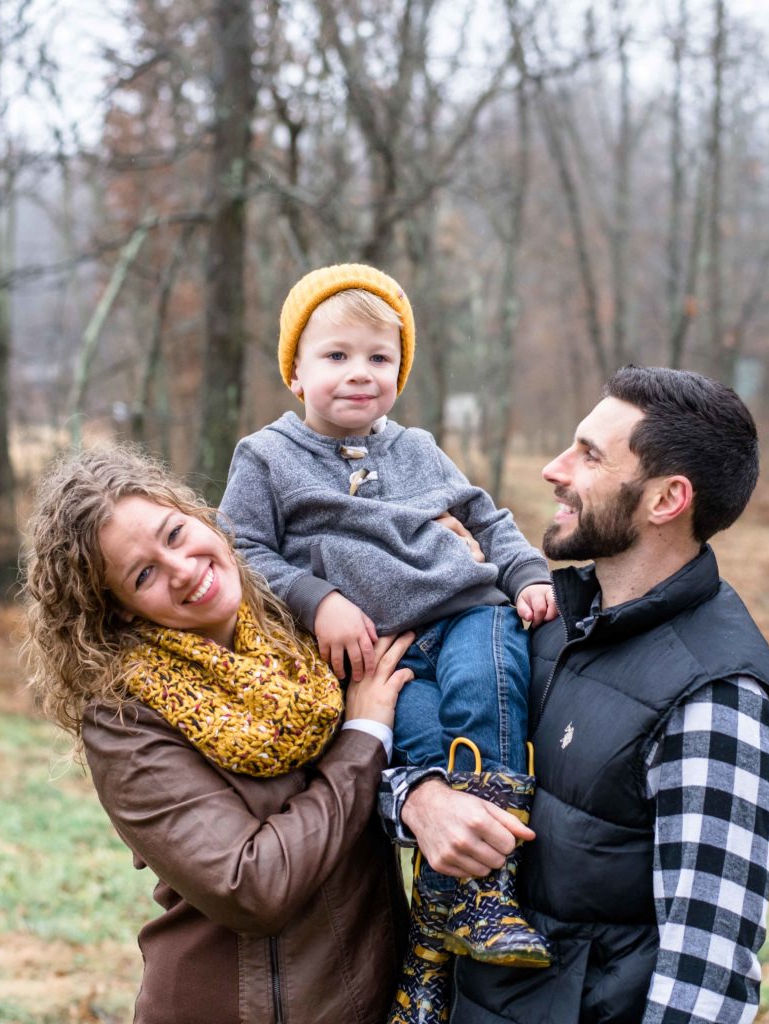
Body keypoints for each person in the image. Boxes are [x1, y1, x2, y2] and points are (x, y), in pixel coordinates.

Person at [387, 366, 769, 1024]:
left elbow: (706, 980)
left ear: (666, 499)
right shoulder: (542, 617)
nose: (555, 469)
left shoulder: (718, 697)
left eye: (588, 455)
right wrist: (421, 798)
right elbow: (393, 743)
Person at [218, 264, 557, 1019]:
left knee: (488, 708)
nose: (360, 374)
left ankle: (470, 904)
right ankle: (443, 919)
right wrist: (320, 599)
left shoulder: (419, 447)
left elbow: (489, 517)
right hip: (378, 653)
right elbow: (240, 553)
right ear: (296, 371)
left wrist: (529, 571)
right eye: (336, 356)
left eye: (380, 357)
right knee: (426, 748)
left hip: (467, 612)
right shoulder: (266, 457)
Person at [21, 443, 416, 1024]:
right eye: (144, 574)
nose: (183, 570)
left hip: (368, 994)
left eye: (175, 534)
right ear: (123, 610)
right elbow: (251, 885)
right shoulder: (126, 719)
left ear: (200, 517)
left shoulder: (308, 624)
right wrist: (362, 736)